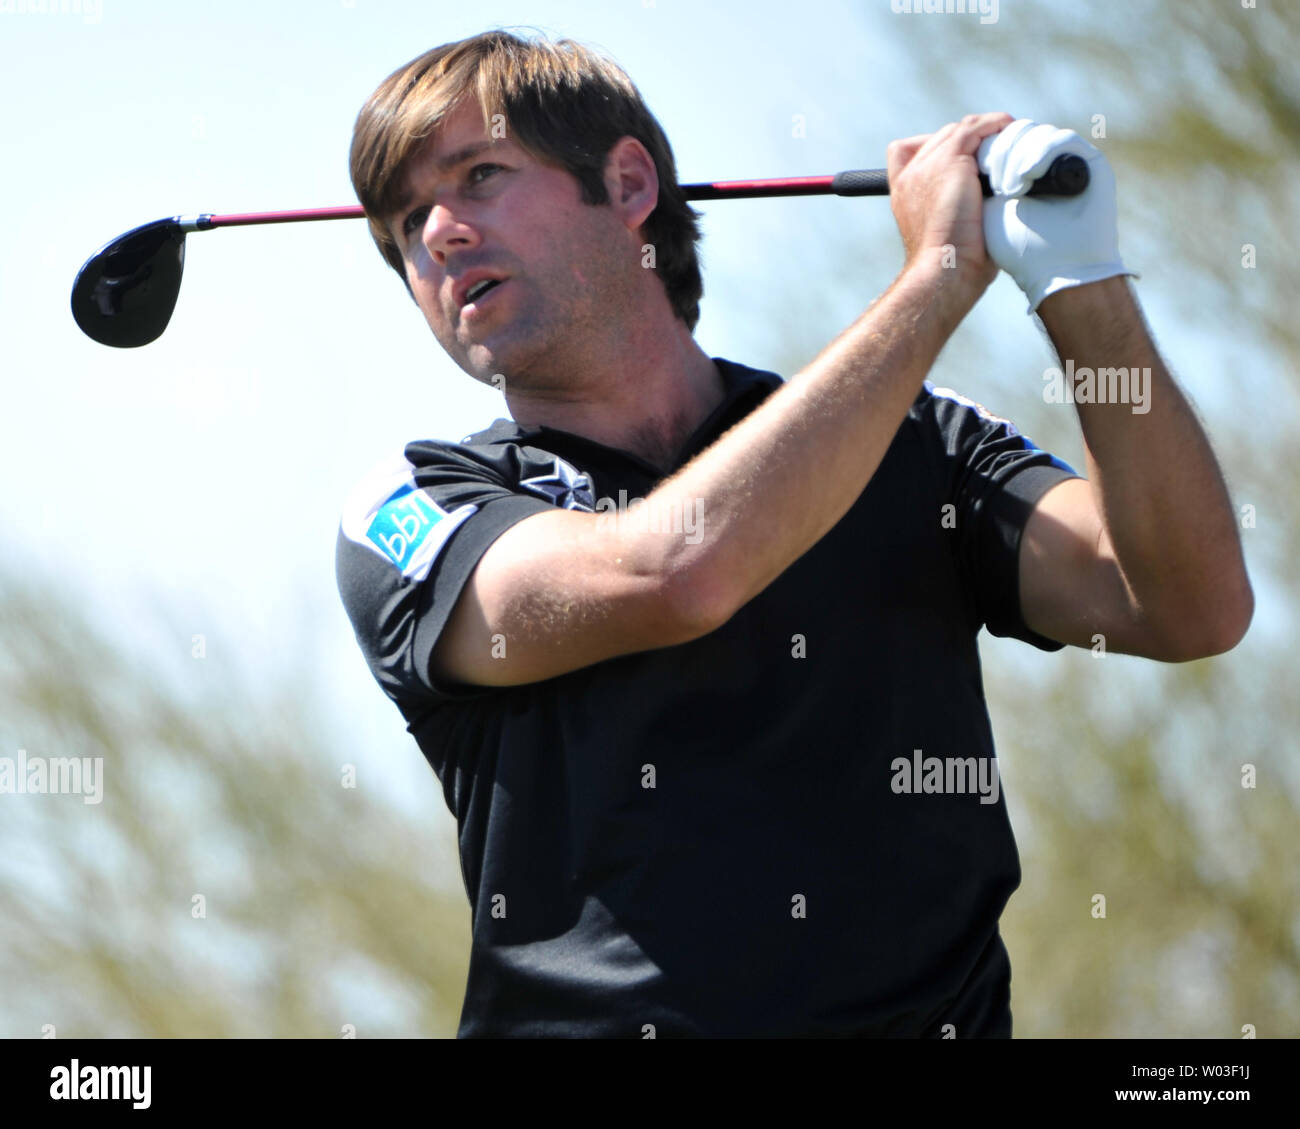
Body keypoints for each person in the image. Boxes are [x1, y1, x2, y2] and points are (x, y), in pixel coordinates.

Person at [335, 30, 1253, 1038]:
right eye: (404, 221)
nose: (440, 235)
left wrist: (1080, 281)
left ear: (629, 183)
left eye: (480, 176)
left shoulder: (915, 441)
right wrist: (937, 277)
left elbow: (1184, 603)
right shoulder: (412, 502)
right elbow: (674, 575)